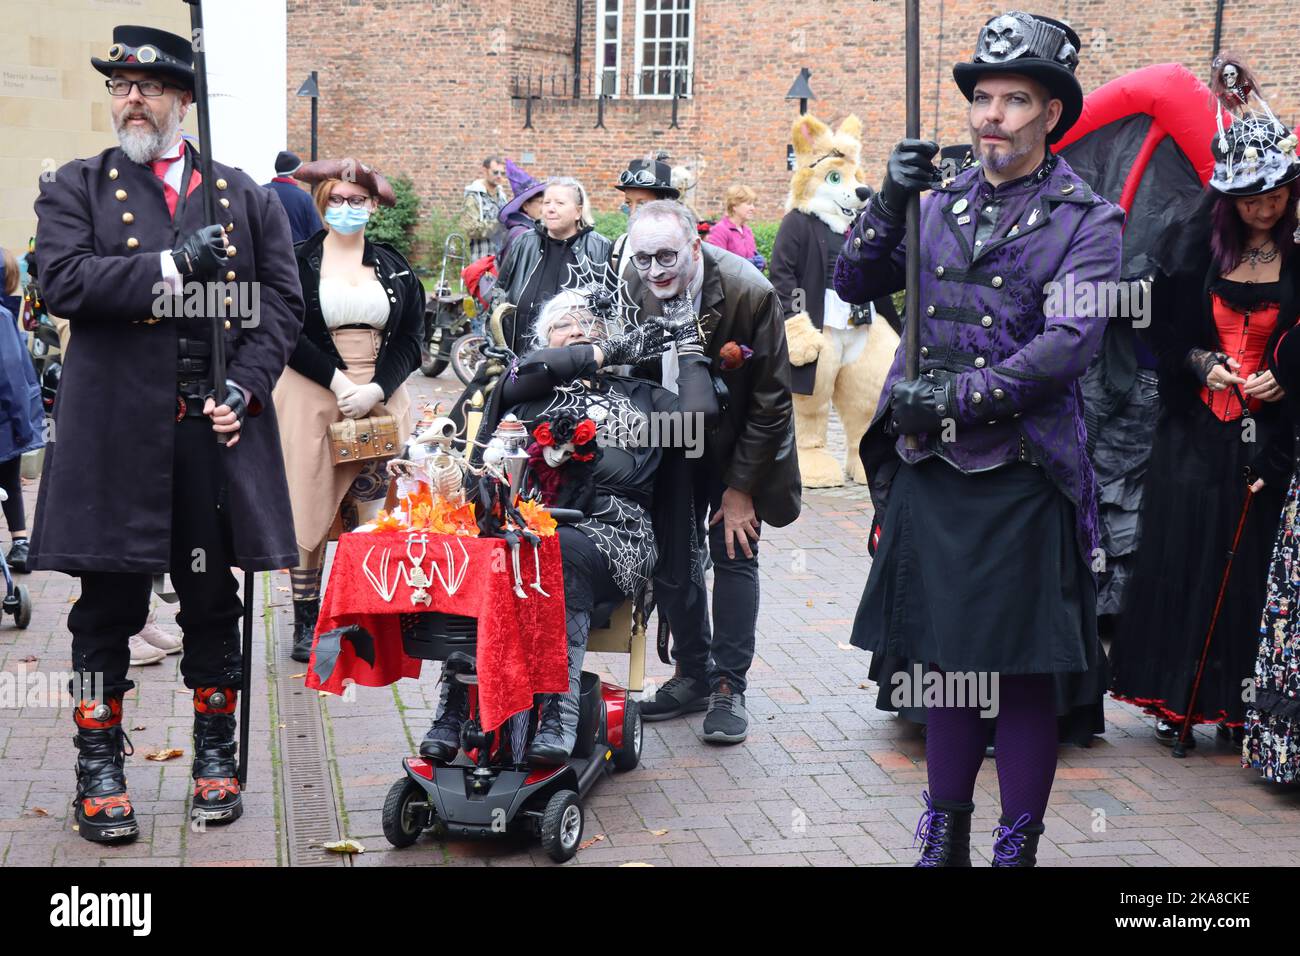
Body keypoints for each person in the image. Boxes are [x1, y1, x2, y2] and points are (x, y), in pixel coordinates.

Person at [836, 12, 1124, 866]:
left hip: (1024, 474)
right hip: (933, 472)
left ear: (1050, 116)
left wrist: (956, 396)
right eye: (983, 99)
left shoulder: (1089, 221)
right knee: (942, 665)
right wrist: (889, 197)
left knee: (1025, 677)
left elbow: (1070, 345)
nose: (991, 115)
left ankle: (1015, 847)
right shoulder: (936, 201)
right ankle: (944, 836)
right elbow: (853, 277)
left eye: (1015, 100)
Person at [31, 24, 303, 842]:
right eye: (119, 86)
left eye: (147, 87)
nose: (131, 99)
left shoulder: (242, 195)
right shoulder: (75, 186)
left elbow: (280, 305)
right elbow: (63, 281)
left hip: (207, 433)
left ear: (184, 99)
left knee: (214, 601)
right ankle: (99, 765)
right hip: (117, 434)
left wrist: (246, 386)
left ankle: (215, 757)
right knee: (105, 604)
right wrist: (173, 267)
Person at [420, 288, 716, 764]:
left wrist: (687, 346)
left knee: (559, 553)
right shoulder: (526, 392)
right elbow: (525, 369)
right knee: (482, 554)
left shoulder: (642, 400)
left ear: (614, 335)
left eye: (589, 322)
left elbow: (699, 420)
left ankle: (560, 710)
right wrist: (603, 351)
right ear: (545, 341)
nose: (577, 329)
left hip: (613, 531)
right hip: (521, 527)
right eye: (563, 324)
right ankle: (456, 706)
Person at [1111, 56, 1300, 749]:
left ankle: (1241, 704)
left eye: (1276, 194)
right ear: (1227, 200)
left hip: (1272, 440)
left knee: (1252, 566)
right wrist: (1200, 364)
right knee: (1185, 556)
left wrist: (1288, 372)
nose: (1264, 208)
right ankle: (1178, 699)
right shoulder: (1196, 246)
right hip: (1195, 432)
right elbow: (1158, 331)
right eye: (1251, 199)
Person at [623, 200, 800, 744]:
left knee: (734, 551)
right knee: (671, 560)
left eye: (667, 256)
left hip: (738, 444)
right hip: (671, 442)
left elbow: (772, 400)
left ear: (696, 247)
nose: (655, 270)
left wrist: (741, 487)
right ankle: (694, 674)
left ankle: (728, 685)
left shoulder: (749, 291)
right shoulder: (633, 283)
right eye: (643, 257)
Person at [277, 158, 424, 662]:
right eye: (336, 200)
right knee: (309, 499)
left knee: (376, 506)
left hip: (379, 395)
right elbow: (284, 331)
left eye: (356, 200)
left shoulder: (394, 263)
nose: (346, 208)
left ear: (372, 206)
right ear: (321, 205)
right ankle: (305, 618)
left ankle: (368, 615)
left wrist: (377, 388)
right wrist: (339, 382)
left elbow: (411, 338)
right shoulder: (294, 261)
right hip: (312, 390)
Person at [489, 176, 611, 354]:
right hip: (520, 351)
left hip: (576, 355)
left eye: (560, 203)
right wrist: (494, 338)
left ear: (578, 211)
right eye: (546, 203)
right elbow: (500, 292)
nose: (550, 209)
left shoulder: (599, 247)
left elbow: (609, 305)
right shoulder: (524, 242)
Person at [0, 247, 43, 575]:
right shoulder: (2, 318)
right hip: (4, 425)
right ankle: (20, 541)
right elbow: (11, 374)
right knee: (9, 481)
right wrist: (24, 427)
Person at [609, 156, 682, 281]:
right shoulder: (619, 245)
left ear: (663, 204)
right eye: (628, 203)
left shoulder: (680, 247)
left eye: (642, 204)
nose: (632, 212)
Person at [264, 150, 323, 243]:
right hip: (296, 255)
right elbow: (316, 235)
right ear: (296, 172)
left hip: (264, 255)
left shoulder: (260, 192)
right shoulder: (305, 199)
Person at [706, 185, 765, 272]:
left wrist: (761, 264)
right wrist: (744, 265)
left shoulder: (748, 231)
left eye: (753, 204)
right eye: (748, 204)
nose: (753, 208)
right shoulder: (720, 230)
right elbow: (716, 264)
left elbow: (754, 262)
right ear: (734, 206)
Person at [460, 155, 509, 261]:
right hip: (482, 260)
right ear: (485, 170)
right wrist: (499, 224)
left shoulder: (502, 196)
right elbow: (471, 229)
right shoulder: (473, 197)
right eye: (495, 172)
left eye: (502, 173)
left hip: (502, 259)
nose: (499, 176)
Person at [498, 158, 547, 261]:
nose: (545, 208)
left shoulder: (527, 227)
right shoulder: (522, 233)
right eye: (540, 202)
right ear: (525, 206)